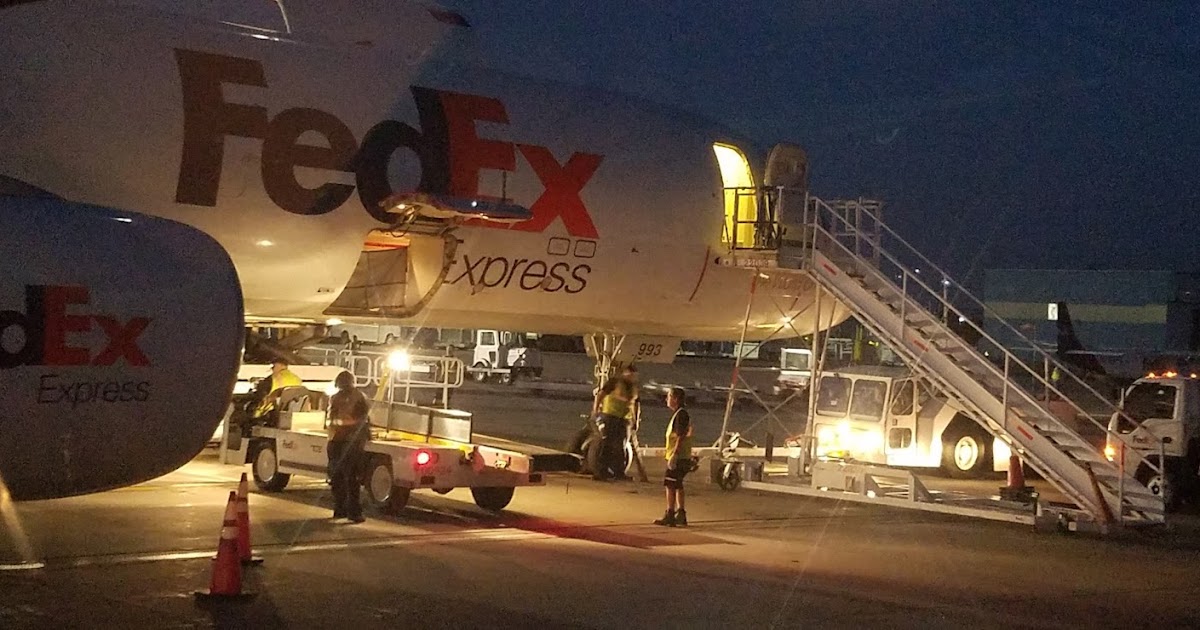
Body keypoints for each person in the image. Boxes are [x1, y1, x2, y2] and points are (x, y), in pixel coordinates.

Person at [327, 371, 370, 523]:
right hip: (352, 443)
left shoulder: (335, 398)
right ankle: (354, 512)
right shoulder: (360, 397)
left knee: (337, 478)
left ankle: (340, 509)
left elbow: (331, 420)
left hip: (336, 441)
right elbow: (364, 420)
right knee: (352, 478)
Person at [591, 364, 639, 481]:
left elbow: (636, 404)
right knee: (606, 444)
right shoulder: (614, 382)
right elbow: (600, 395)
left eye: (633, 375)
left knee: (620, 446)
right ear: (625, 373)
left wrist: (635, 420)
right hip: (610, 416)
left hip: (624, 420)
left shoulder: (633, 388)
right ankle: (601, 472)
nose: (631, 377)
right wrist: (595, 410)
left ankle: (619, 472)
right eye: (630, 374)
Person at [655, 387, 693, 527]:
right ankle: (681, 514)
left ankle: (670, 513)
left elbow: (680, 436)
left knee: (670, 485)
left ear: (675, 399)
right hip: (683, 456)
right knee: (678, 484)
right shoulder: (681, 414)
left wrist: (674, 455)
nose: (667, 399)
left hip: (678, 456)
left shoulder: (680, 415)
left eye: (669, 396)